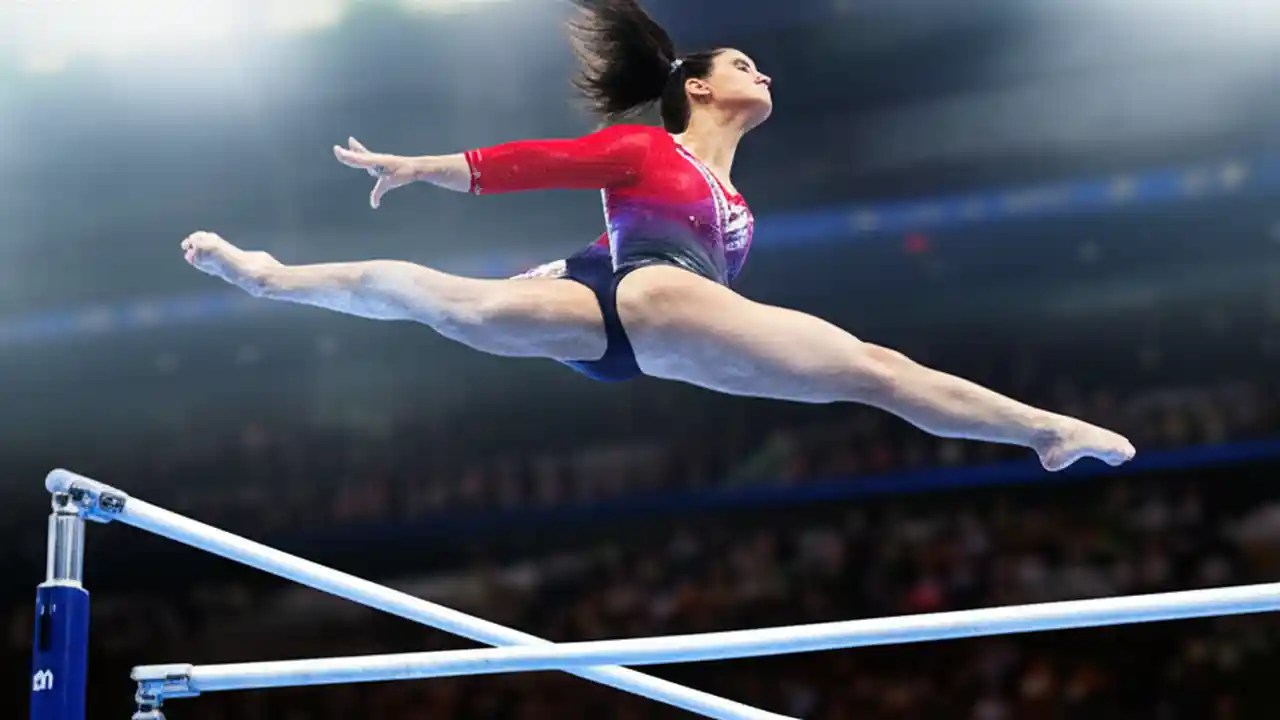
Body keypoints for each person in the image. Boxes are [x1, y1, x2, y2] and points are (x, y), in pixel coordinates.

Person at [180, 0, 1134, 472]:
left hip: (654, 320)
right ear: (701, 87)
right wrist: (429, 166)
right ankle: (272, 275)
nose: (767, 76)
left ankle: (1042, 433)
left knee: (873, 370)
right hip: (636, 297)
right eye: (746, 65)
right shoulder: (648, 145)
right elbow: (544, 160)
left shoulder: (737, 200)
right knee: (439, 297)